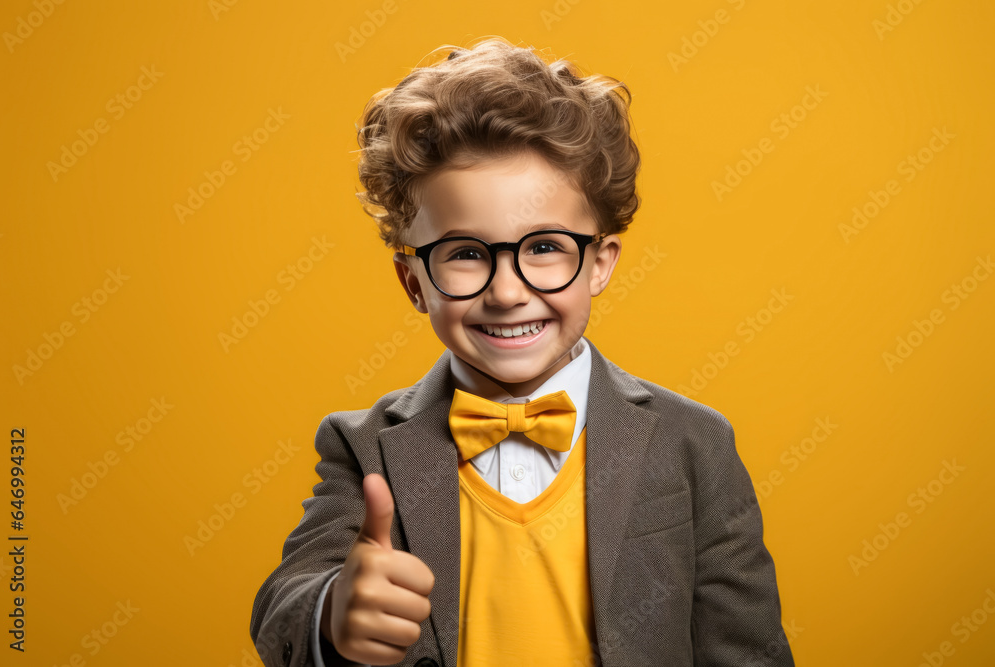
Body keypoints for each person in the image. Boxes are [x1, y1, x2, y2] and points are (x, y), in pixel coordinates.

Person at [250, 36, 794, 667]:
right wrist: (332, 613)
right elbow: (283, 609)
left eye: (543, 248)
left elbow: (748, 653)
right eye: (463, 254)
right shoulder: (362, 448)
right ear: (413, 282)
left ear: (598, 263)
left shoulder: (695, 444)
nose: (507, 293)